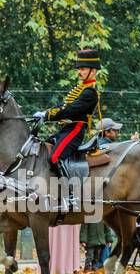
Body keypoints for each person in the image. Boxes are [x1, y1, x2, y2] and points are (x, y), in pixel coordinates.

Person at [31, 47, 103, 211]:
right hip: (65, 129)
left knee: (55, 157)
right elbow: (64, 106)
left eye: (83, 68)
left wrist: (48, 115)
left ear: (93, 71)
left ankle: (70, 195)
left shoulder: (90, 92)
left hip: (75, 130)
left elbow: (71, 110)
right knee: (42, 151)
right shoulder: (81, 89)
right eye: (79, 68)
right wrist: (45, 113)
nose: (79, 72)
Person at [79, 117, 121, 267]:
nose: (117, 132)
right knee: (92, 256)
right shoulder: (106, 146)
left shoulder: (103, 144)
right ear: (107, 132)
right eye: (114, 130)